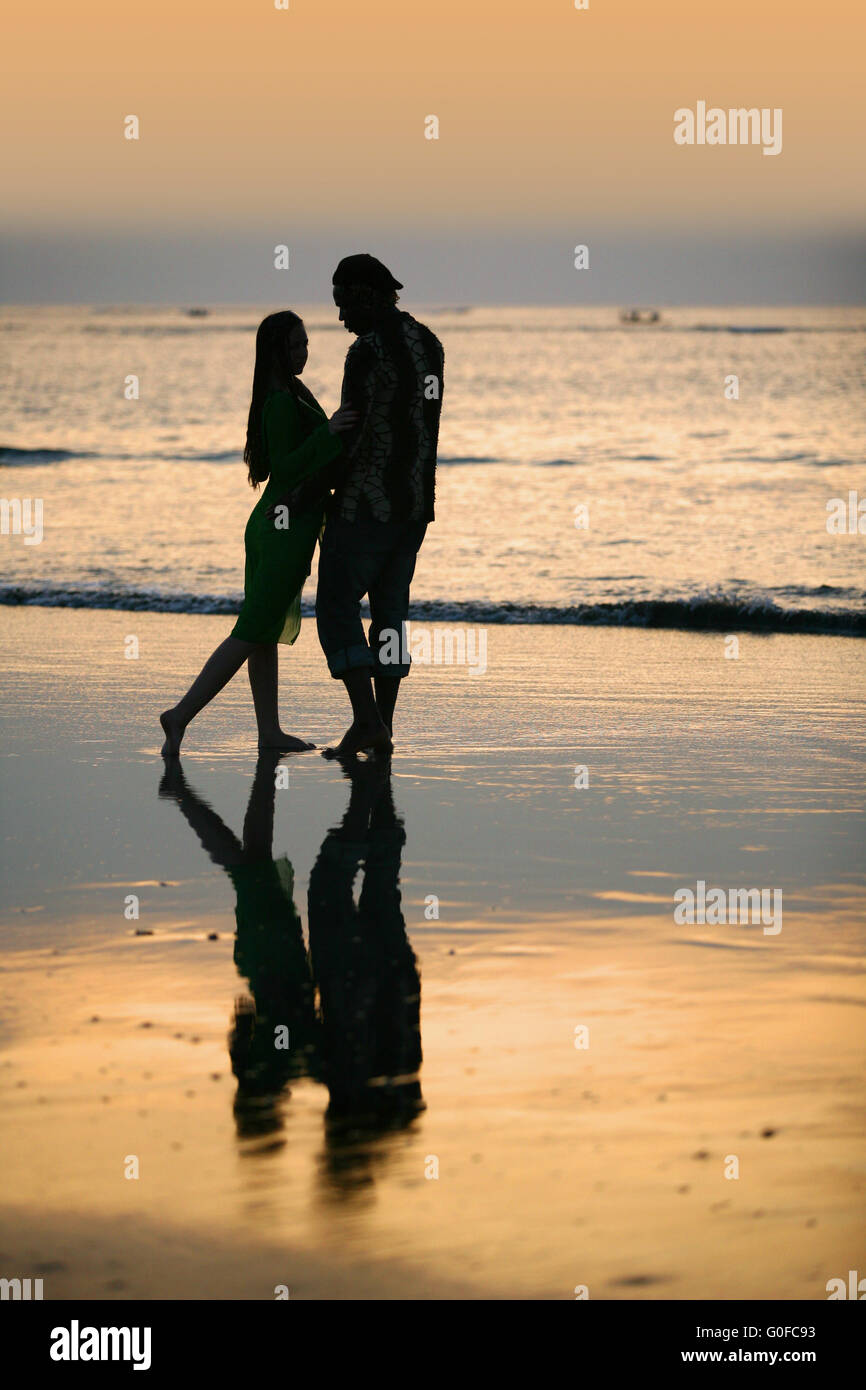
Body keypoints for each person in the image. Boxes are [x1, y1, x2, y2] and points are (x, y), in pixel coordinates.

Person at [159, 311, 357, 756]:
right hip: (281, 528)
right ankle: (179, 715)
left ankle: (269, 731)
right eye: (293, 346)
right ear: (275, 352)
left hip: (278, 525)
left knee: (263, 633)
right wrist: (328, 432)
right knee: (251, 630)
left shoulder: (288, 392)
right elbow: (285, 469)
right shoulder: (282, 400)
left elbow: (282, 466)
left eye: (305, 344)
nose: (302, 352)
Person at [295, 254, 444, 758]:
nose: (340, 318)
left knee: (336, 607)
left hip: (364, 505)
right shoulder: (430, 345)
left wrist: (312, 489)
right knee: (390, 614)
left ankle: (366, 721)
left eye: (343, 304)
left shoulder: (365, 352)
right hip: (415, 505)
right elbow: (425, 427)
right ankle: (384, 726)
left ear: (365, 294)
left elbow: (353, 433)